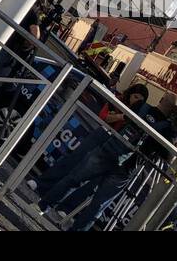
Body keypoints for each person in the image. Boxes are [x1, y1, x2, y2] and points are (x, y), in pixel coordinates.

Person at [31, 81, 152, 227]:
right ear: (130, 94)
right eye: (136, 96)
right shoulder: (119, 101)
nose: (137, 101)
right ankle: (42, 186)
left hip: (115, 148)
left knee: (90, 183)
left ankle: (66, 206)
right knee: (73, 163)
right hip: (103, 135)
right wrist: (122, 116)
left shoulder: (141, 113)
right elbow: (104, 115)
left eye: (140, 100)